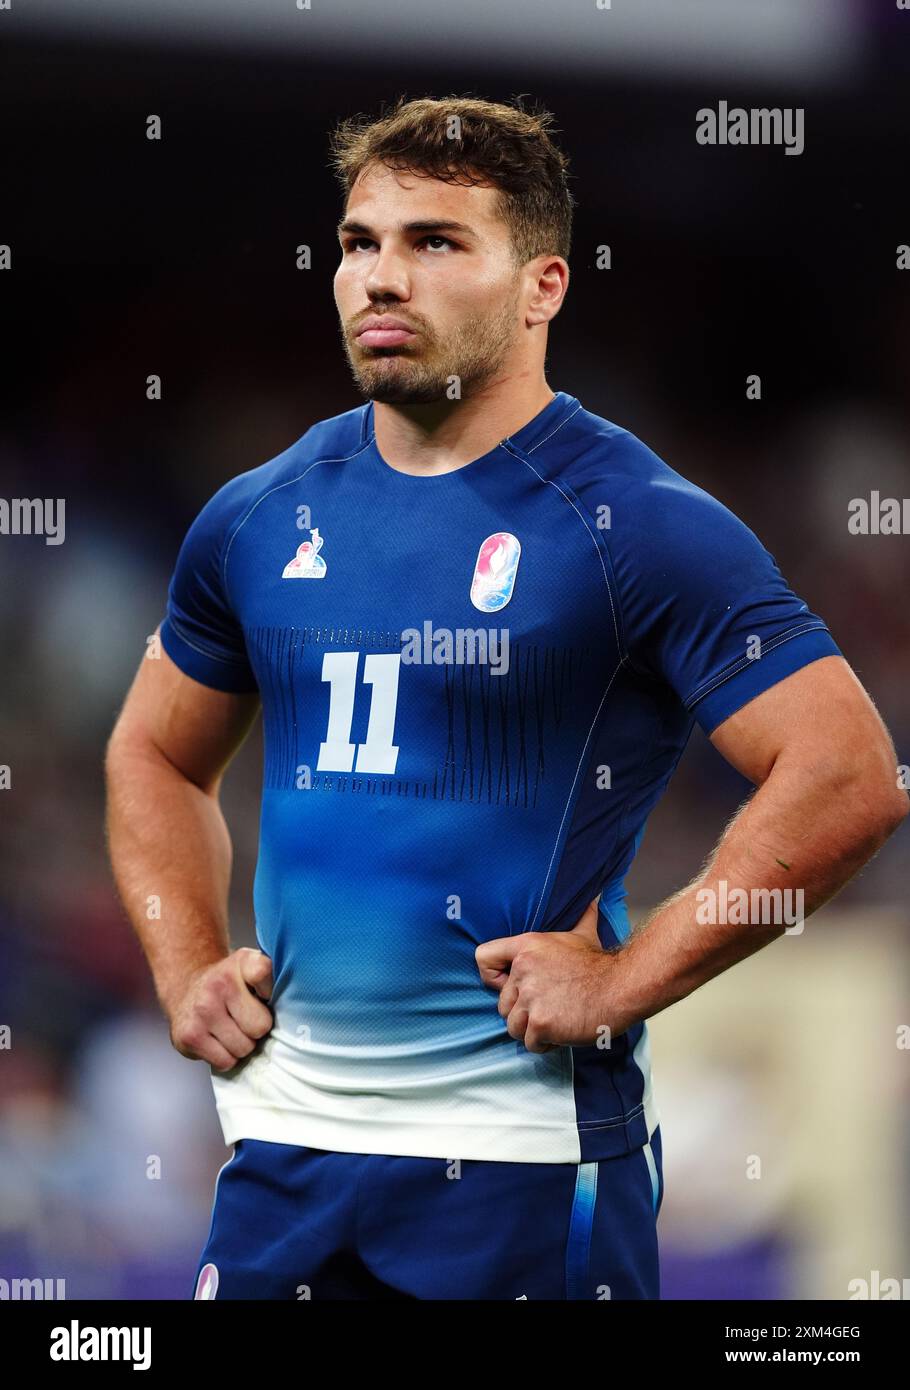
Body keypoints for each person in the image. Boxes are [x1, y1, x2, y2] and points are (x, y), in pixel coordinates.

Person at [104, 95, 907, 1301]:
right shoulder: (260, 512)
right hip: (281, 1156)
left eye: (434, 242)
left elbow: (848, 776)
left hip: (522, 1171)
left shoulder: (636, 522)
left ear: (541, 286)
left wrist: (623, 985)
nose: (382, 277)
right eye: (360, 242)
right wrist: (187, 965)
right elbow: (154, 758)